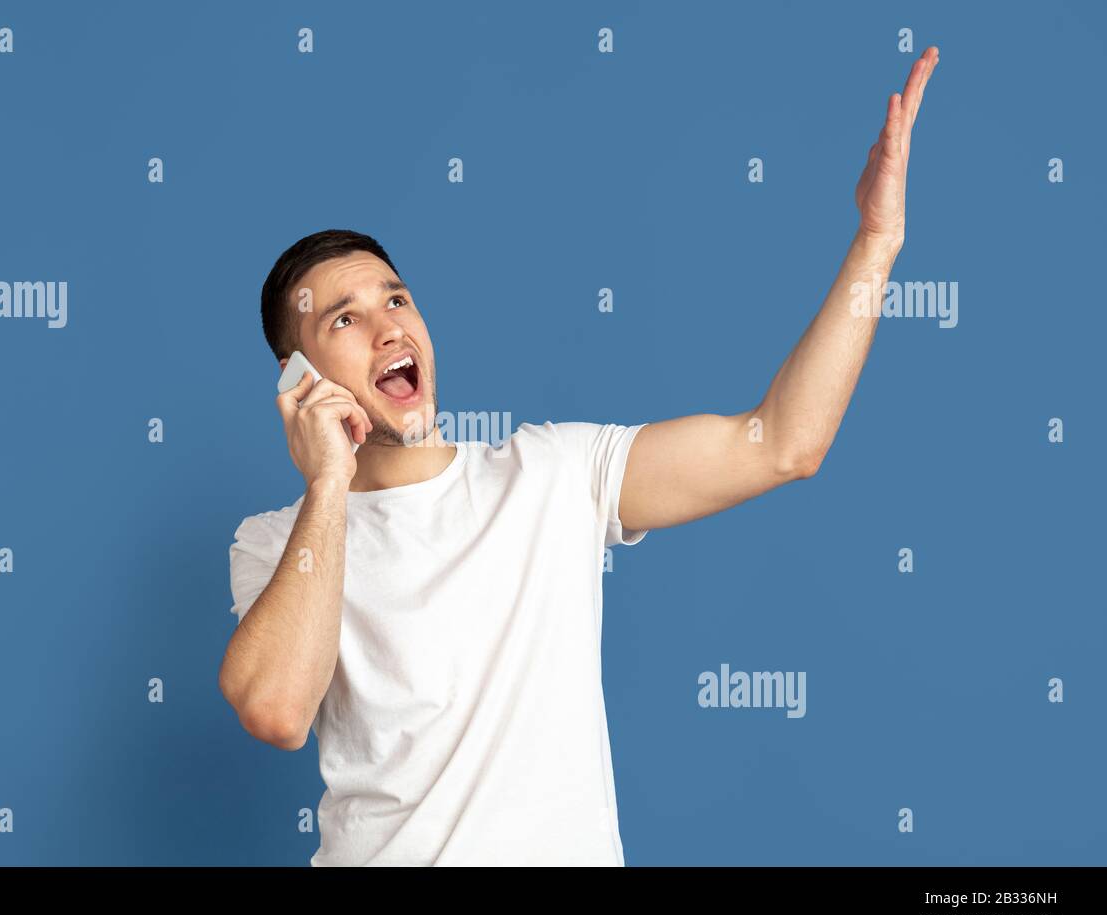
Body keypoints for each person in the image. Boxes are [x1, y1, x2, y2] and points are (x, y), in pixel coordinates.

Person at [219, 47, 940, 866]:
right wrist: (328, 482)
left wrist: (876, 243)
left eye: (396, 298)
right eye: (342, 319)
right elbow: (276, 710)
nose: (389, 326)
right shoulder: (277, 543)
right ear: (300, 380)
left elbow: (781, 444)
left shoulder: (551, 474)